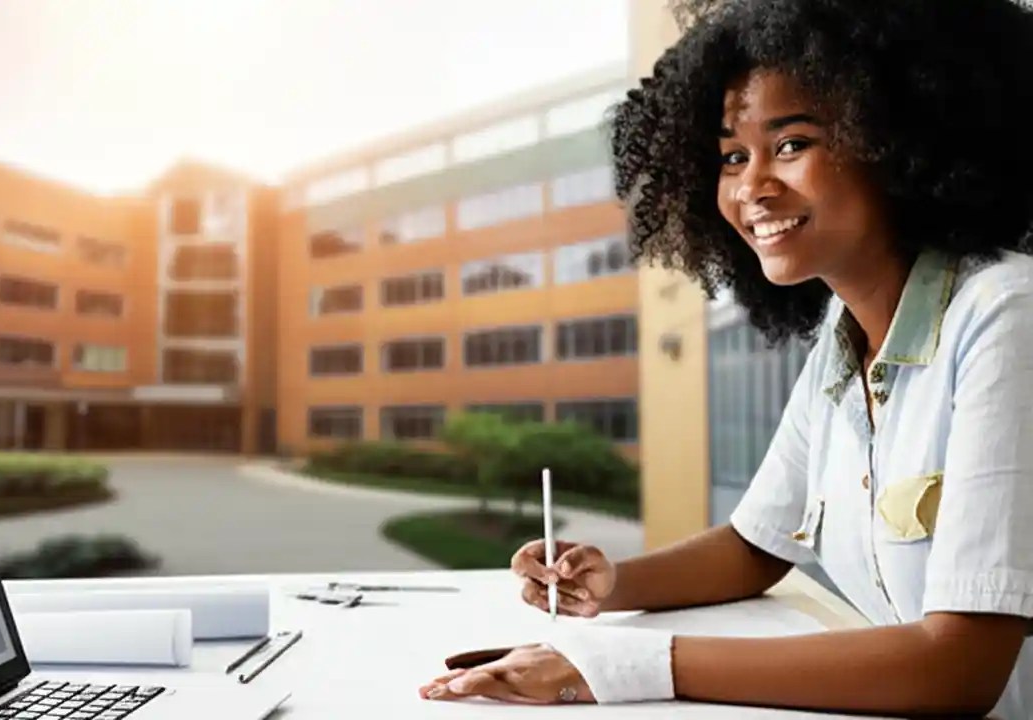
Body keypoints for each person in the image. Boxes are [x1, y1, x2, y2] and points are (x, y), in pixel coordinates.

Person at [418, 0, 1033, 716]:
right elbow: (754, 546)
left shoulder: (1006, 316)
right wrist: (610, 583)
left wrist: (616, 666)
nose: (751, 188)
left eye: (792, 143)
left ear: (896, 137)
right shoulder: (844, 339)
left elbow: (958, 668)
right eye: (732, 157)